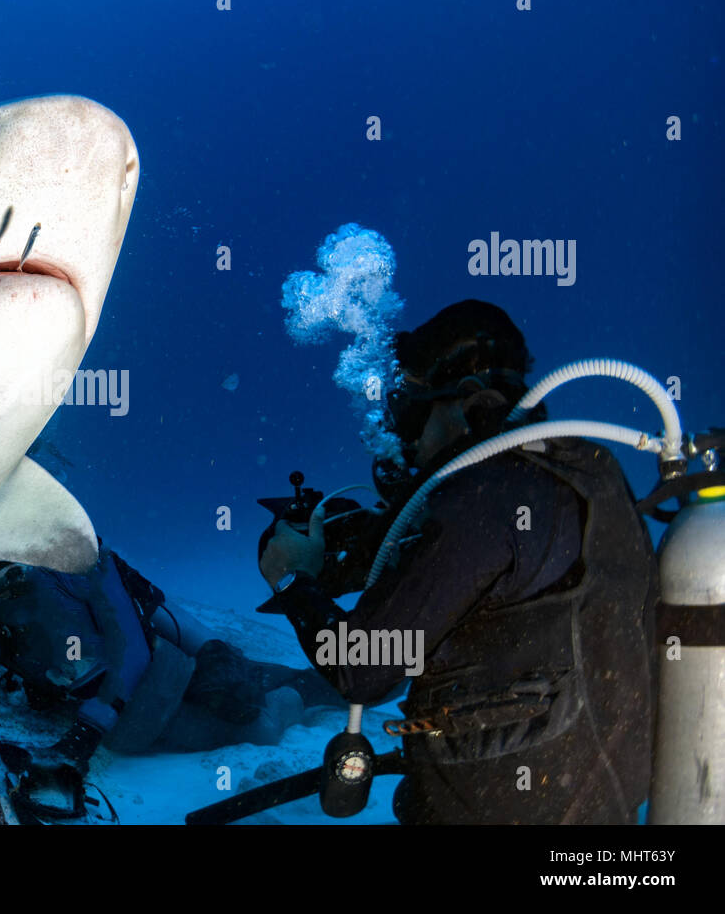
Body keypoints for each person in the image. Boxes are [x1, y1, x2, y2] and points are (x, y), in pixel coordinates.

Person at [256, 299, 658, 824]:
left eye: (410, 416)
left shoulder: (486, 494)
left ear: (461, 399)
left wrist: (296, 575)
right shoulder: (584, 473)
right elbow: (479, 576)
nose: (409, 442)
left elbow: (364, 669)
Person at [0, 546, 340, 819]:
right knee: (149, 729)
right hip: (110, 710)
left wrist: (88, 732)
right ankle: (275, 674)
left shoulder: (76, 563)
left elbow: (131, 650)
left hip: (159, 681)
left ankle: (314, 688)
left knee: (257, 723)